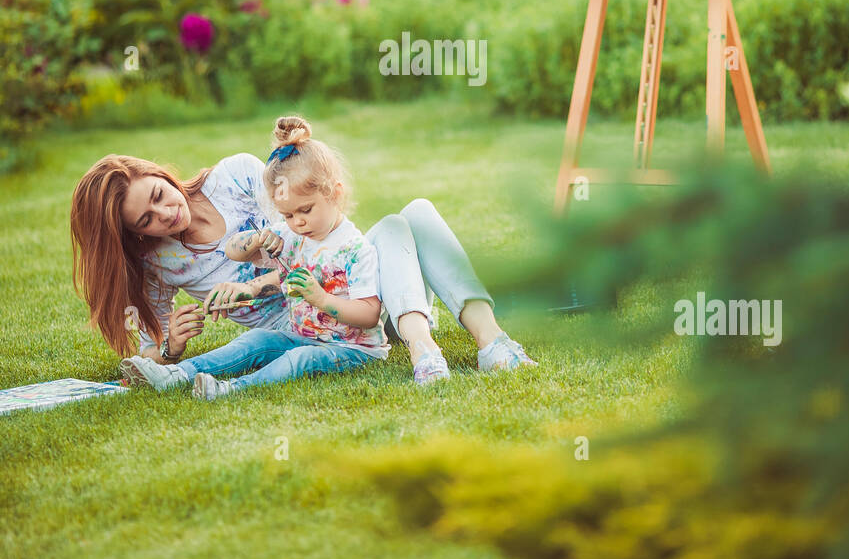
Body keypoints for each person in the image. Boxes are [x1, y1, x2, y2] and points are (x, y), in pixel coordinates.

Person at [71, 119, 536, 390]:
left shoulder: (232, 177)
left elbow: (296, 216)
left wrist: (255, 259)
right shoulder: (160, 263)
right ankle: (434, 345)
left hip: (351, 293)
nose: (164, 213)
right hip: (302, 329)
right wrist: (172, 344)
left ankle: (490, 343)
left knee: (410, 215)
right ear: (134, 236)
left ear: (159, 174)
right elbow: (144, 358)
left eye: (156, 194)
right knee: (397, 224)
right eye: (145, 221)